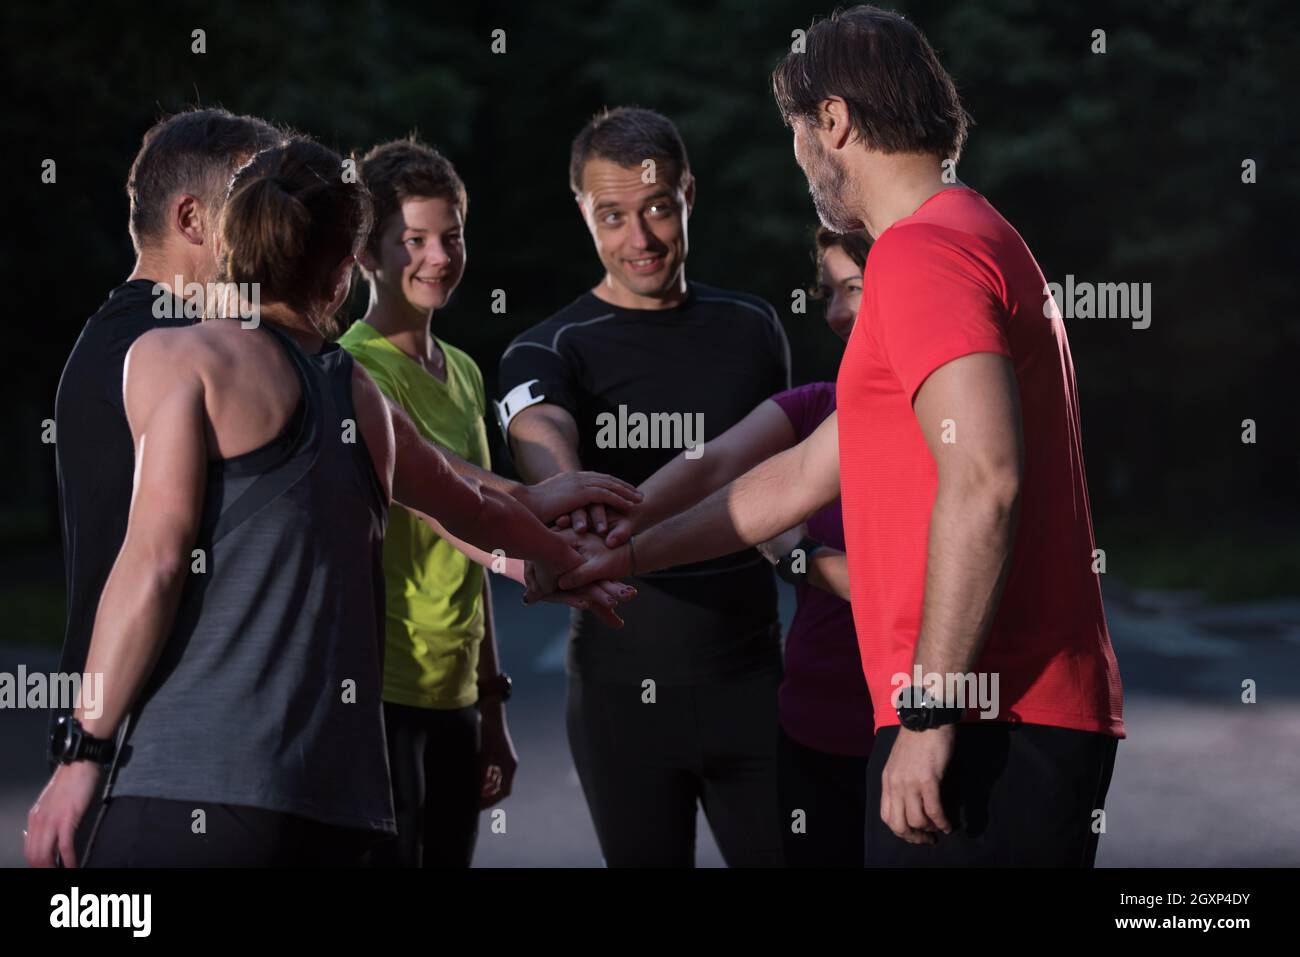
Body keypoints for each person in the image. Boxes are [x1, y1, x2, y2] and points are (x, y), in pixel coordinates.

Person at [554, 5, 1125, 867]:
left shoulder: (923, 252)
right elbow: (800, 475)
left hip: (991, 715)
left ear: (834, 120)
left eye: (796, 132)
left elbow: (986, 479)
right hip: (992, 710)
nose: (799, 160)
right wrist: (625, 555)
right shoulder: (966, 237)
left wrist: (929, 713)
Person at [25, 136, 628, 868]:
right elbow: (470, 503)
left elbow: (153, 561)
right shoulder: (359, 392)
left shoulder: (177, 358)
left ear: (232, 235)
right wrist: (573, 557)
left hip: (192, 790)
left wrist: (82, 751)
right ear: (343, 275)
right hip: (341, 814)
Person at [498, 106, 790, 867]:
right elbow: (537, 424)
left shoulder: (754, 327)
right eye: (613, 215)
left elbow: (786, 481)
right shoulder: (549, 344)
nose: (641, 239)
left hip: (757, 682)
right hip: (622, 696)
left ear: (687, 191)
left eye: (658, 208)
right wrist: (568, 494)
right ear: (582, 212)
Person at [600, 227, 873, 866]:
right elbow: (708, 463)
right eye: (827, 292)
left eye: (853, 289)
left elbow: (899, 585)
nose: (835, 312)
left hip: (904, 731)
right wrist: (607, 535)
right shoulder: (813, 407)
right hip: (811, 730)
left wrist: (797, 558)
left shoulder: (935, 416)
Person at [339, 137, 511, 866]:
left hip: (458, 695)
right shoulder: (352, 367)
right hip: (384, 687)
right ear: (366, 255)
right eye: (413, 240)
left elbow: (480, 541)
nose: (439, 257)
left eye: (452, 236)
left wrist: (492, 703)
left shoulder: (466, 371)